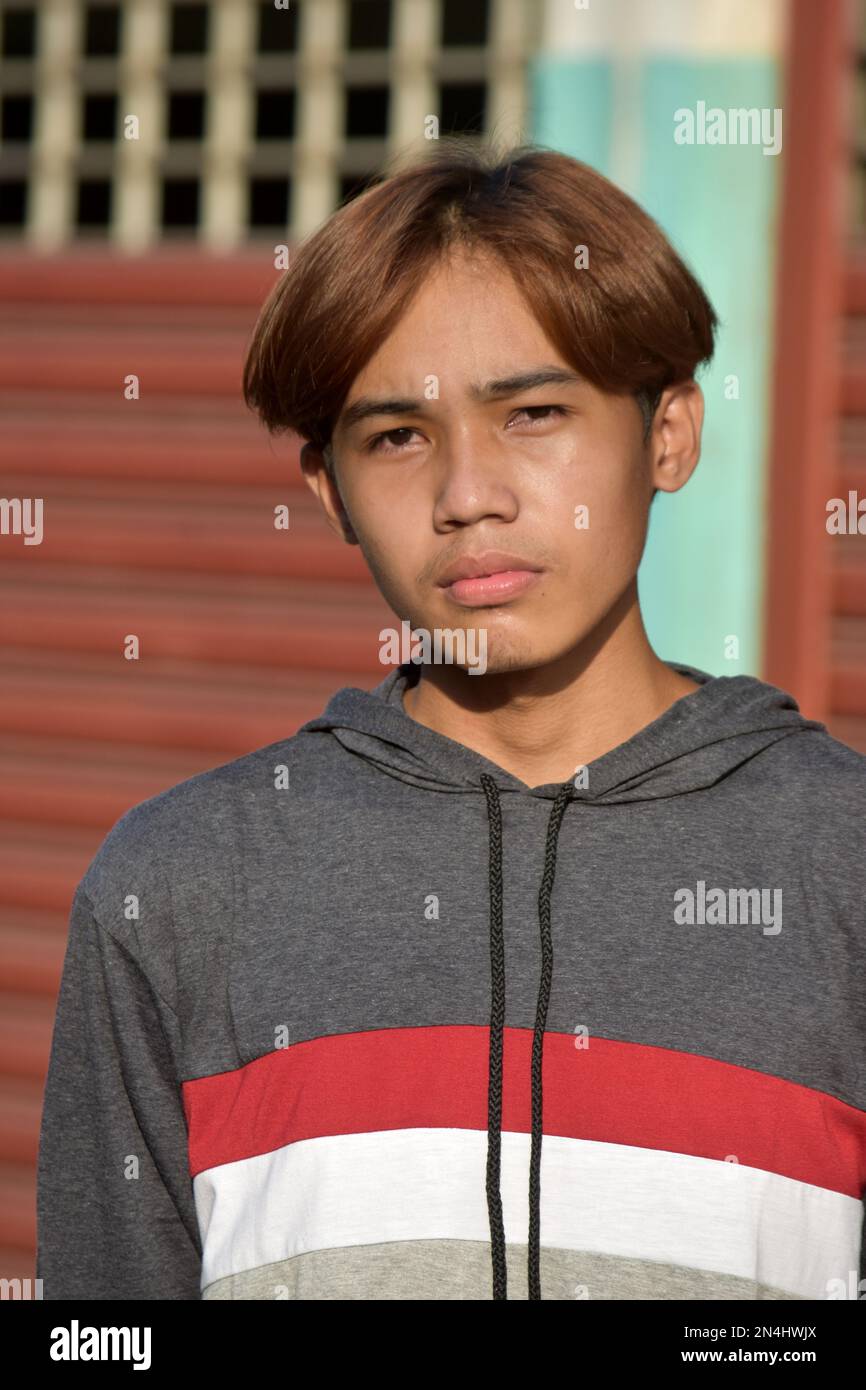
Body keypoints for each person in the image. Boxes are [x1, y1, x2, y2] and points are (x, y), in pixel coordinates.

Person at [37, 140, 866, 1301]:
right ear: (329, 490)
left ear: (668, 431)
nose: (467, 493)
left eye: (532, 411)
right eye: (395, 437)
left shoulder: (841, 865)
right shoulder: (180, 887)